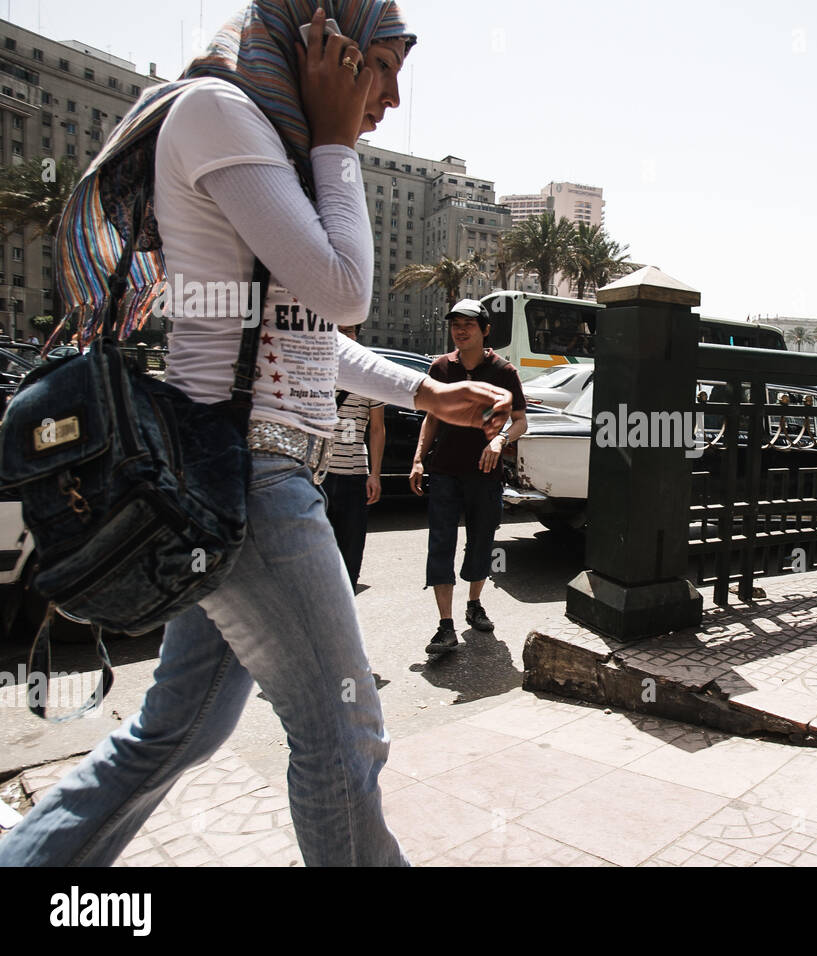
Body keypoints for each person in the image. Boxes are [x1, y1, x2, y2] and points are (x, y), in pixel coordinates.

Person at [0, 2, 512, 868]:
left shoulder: (274, 145)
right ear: (322, 39)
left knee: (176, 731)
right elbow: (346, 287)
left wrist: (424, 390)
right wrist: (338, 140)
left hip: (251, 476)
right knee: (345, 730)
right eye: (379, 65)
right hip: (247, 475)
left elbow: (311, 333)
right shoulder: (217, 115)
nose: (388, 94)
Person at [410, 299, 527, 662]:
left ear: (485, 330)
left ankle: (474, 604)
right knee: (440, 542)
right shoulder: (441, 367)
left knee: (481, 541)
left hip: (485, 473)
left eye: (469, 325)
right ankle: (445, 625)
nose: (461, 330)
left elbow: (521, 420)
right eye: (455, 324)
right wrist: (417, 459)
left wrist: (500, 439)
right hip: (444, 469)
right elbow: (431, 417)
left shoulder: (504, 371)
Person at [323, 322, 386, 592]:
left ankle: (345, 598)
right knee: (318, 549)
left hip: (355, 474)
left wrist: (375, 474)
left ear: (356, 335)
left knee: (351, 550)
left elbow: (377, 428)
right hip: (319, 474)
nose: (344, 336)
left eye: (349, 331)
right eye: (338, 330)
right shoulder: (317, 368)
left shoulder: (368, 373)